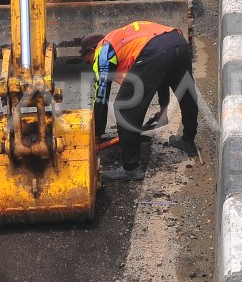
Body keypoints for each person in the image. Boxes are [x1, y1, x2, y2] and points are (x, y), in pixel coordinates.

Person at [81, 21, 199, 182]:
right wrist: (163, 106)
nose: (91, 65)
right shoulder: (125, 39)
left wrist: (96, 136)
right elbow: (161, 73)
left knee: (123, 108)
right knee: (186, 93)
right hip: (177, 41)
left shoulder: (103, 50)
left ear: (92, 50)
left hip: (154, 50)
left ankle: (131, 169)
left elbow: (101, 96)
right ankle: (188, 140)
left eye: (89, 61)